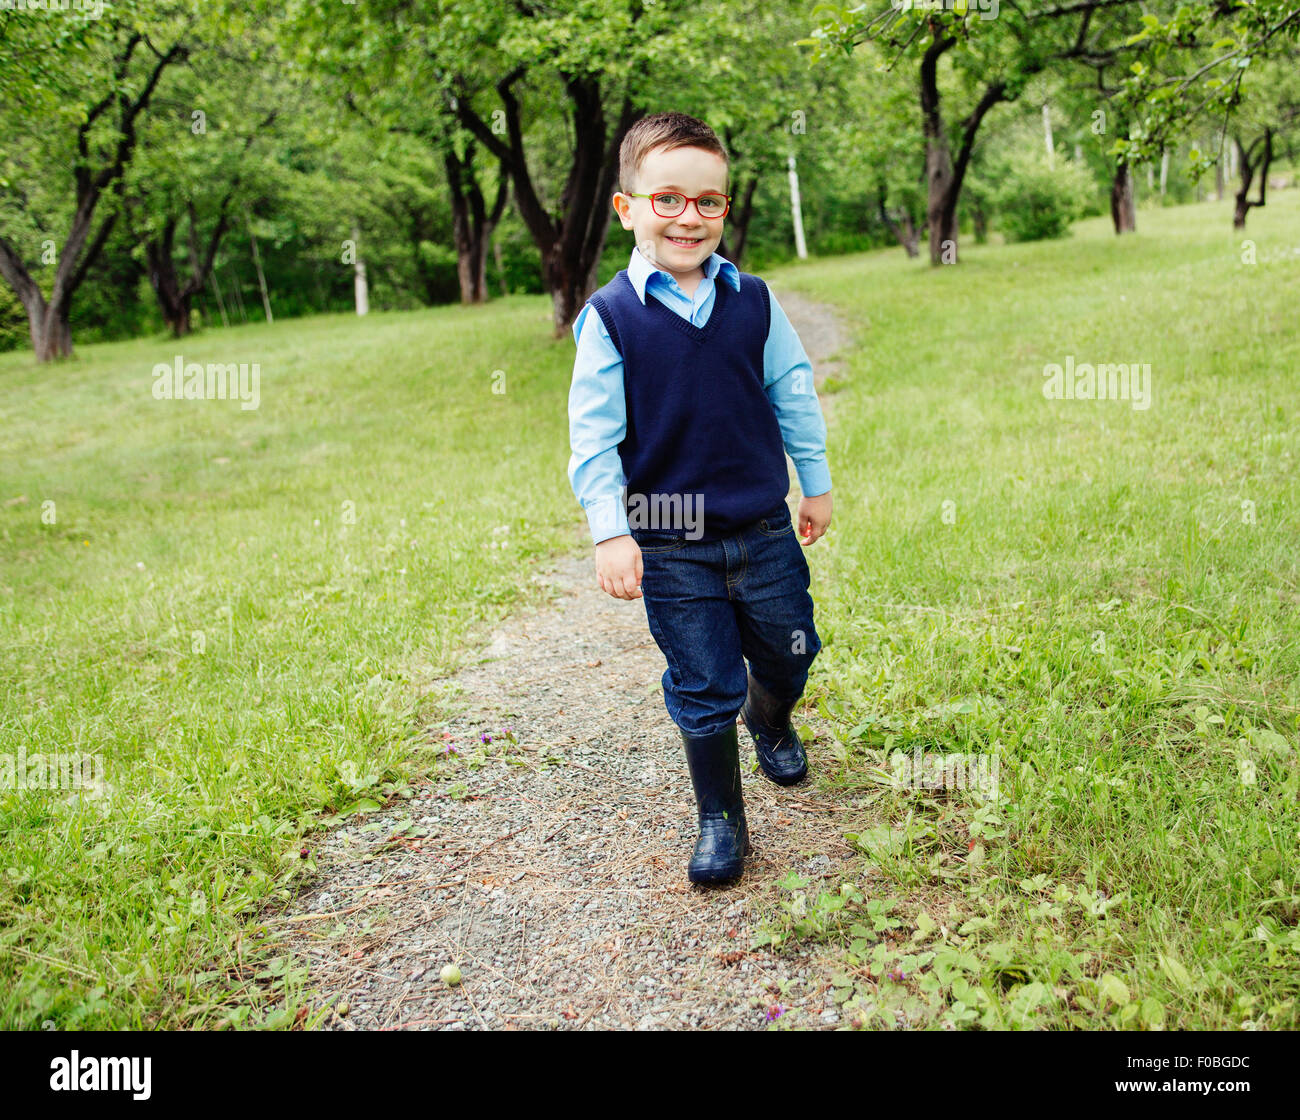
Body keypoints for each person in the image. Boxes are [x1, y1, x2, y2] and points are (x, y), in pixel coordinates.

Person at [567, 111, 833, 886]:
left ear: (725, 207)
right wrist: (610, 532)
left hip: (760, 522)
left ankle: (771, 717)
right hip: (668, 532)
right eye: (669, 199)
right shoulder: (610, 318)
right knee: (703, 678)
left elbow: (793, 391)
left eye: (708, 201)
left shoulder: (753, 300)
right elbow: (593, 439)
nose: (690, 216)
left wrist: (813, 482)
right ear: (628, 207)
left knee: (792, 650)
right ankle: (721, 817)